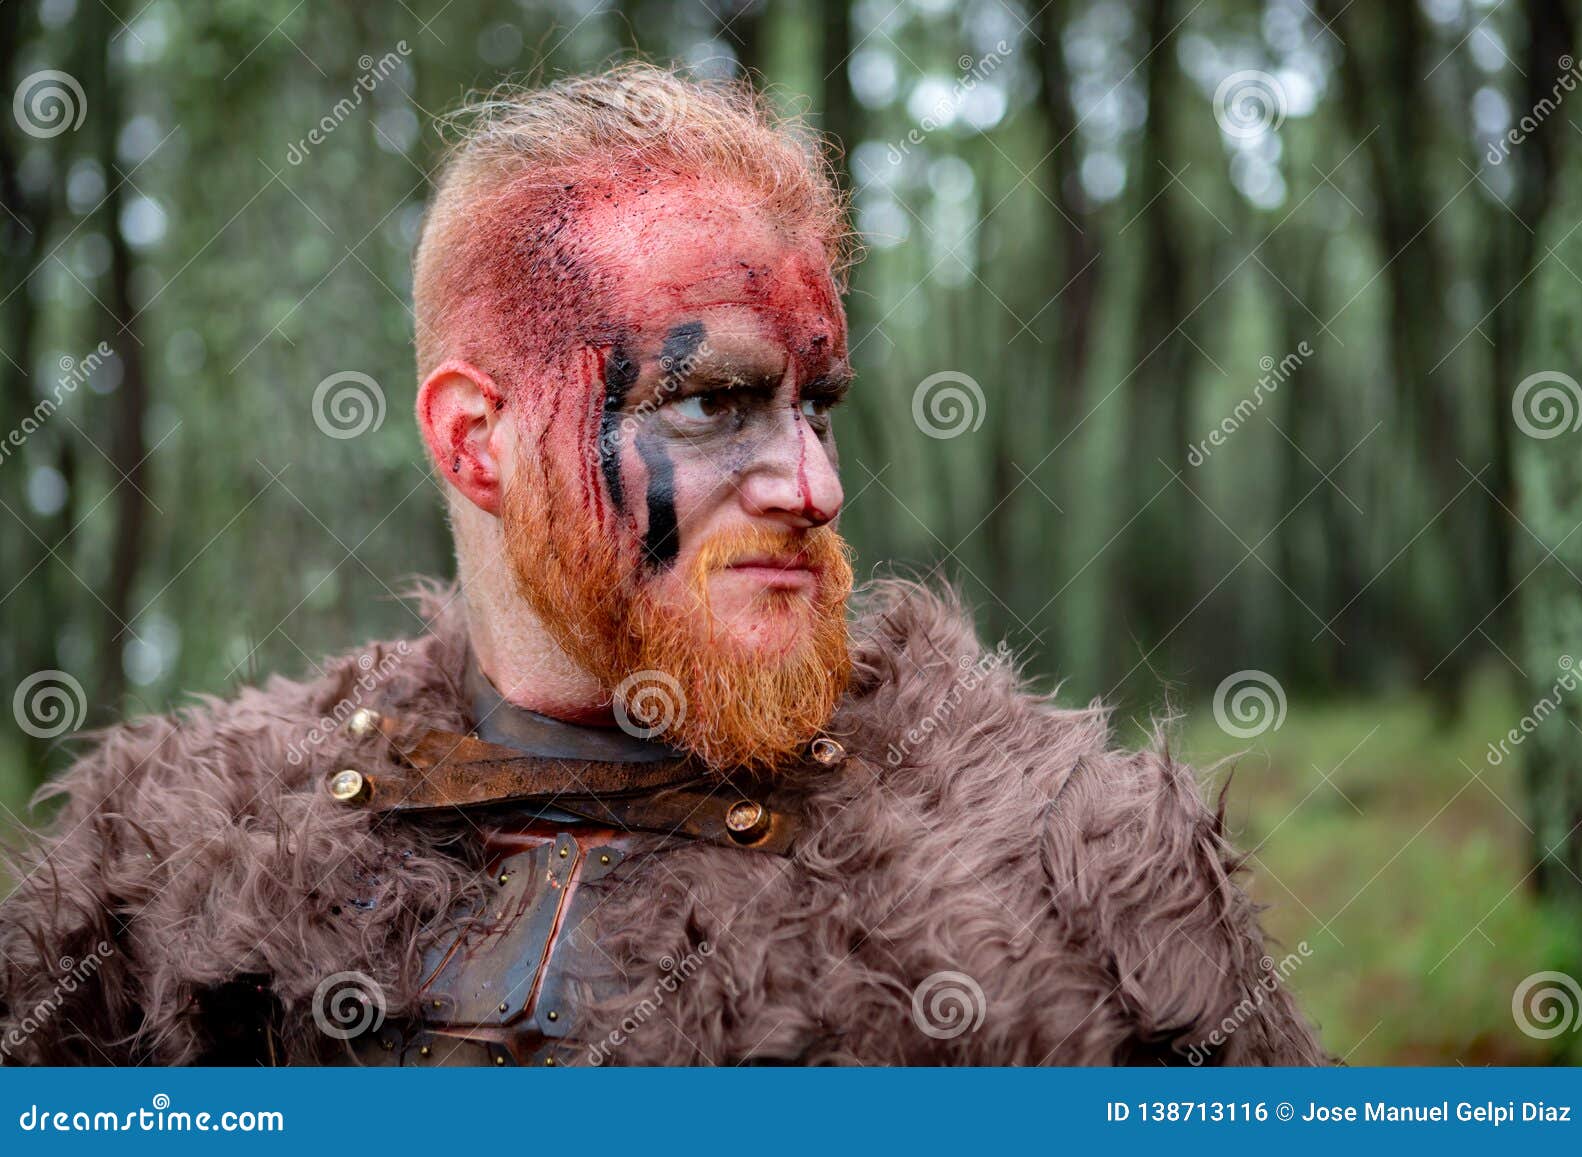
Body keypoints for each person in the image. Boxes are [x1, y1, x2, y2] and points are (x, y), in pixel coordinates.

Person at [0, 64, 1326, 1067]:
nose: (816, 487)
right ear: (477, 442)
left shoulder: (1076, 872)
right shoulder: (170, 866)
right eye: (713, 402)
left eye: (816, 407)